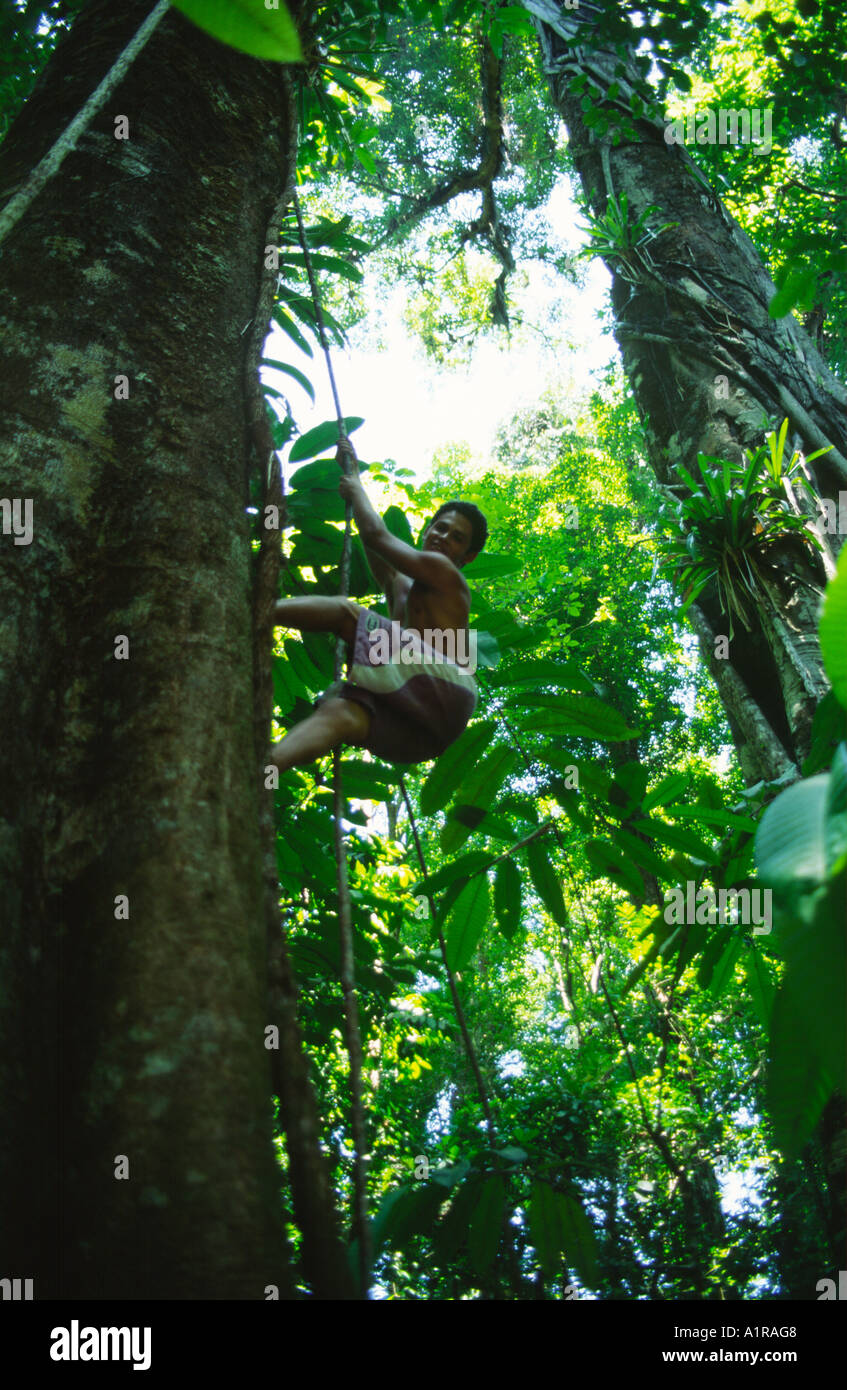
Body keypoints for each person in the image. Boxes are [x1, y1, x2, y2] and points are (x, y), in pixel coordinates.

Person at [269, 450, 488, 770]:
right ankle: (263, 773)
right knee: (341, 713)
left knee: (347, 614)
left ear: (466, 557)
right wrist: (353, 478)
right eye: (440, 528)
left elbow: (376, 535)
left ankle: (253, 612)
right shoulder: (400, 587)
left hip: (448, 687)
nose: (443, 538)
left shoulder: (446, 575)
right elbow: (373, 545)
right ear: (426, 530)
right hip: (426, 731)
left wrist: (355, 484)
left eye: (456, 538)